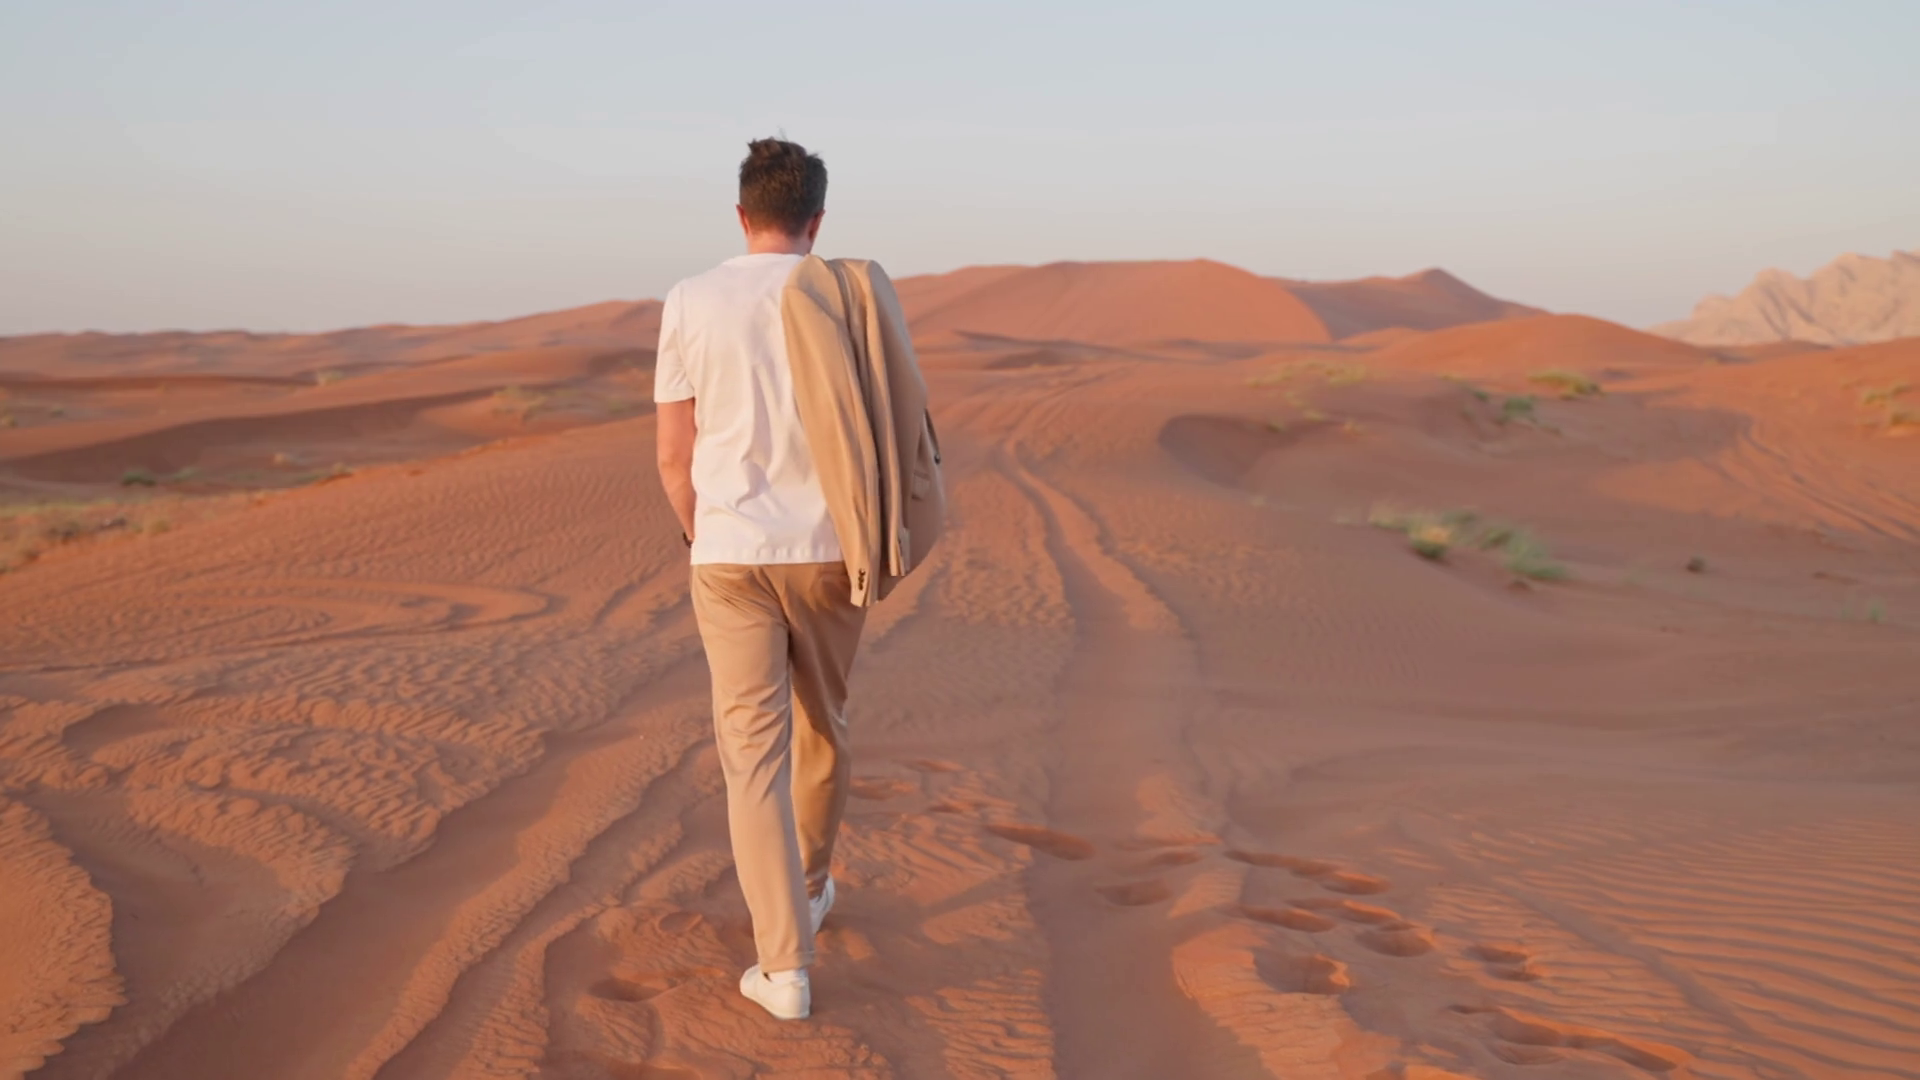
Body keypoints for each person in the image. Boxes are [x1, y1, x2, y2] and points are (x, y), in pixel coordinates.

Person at [651, 138, 865, 1021]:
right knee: (825, 724)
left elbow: (674, 451)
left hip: (730, 553)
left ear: (741, 217)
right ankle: (810, 887)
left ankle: (783, 970)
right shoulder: (845, 297)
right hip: (830, 549)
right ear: (817, 221)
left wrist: (703, 533)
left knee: (752, 759)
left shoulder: (691, 300)